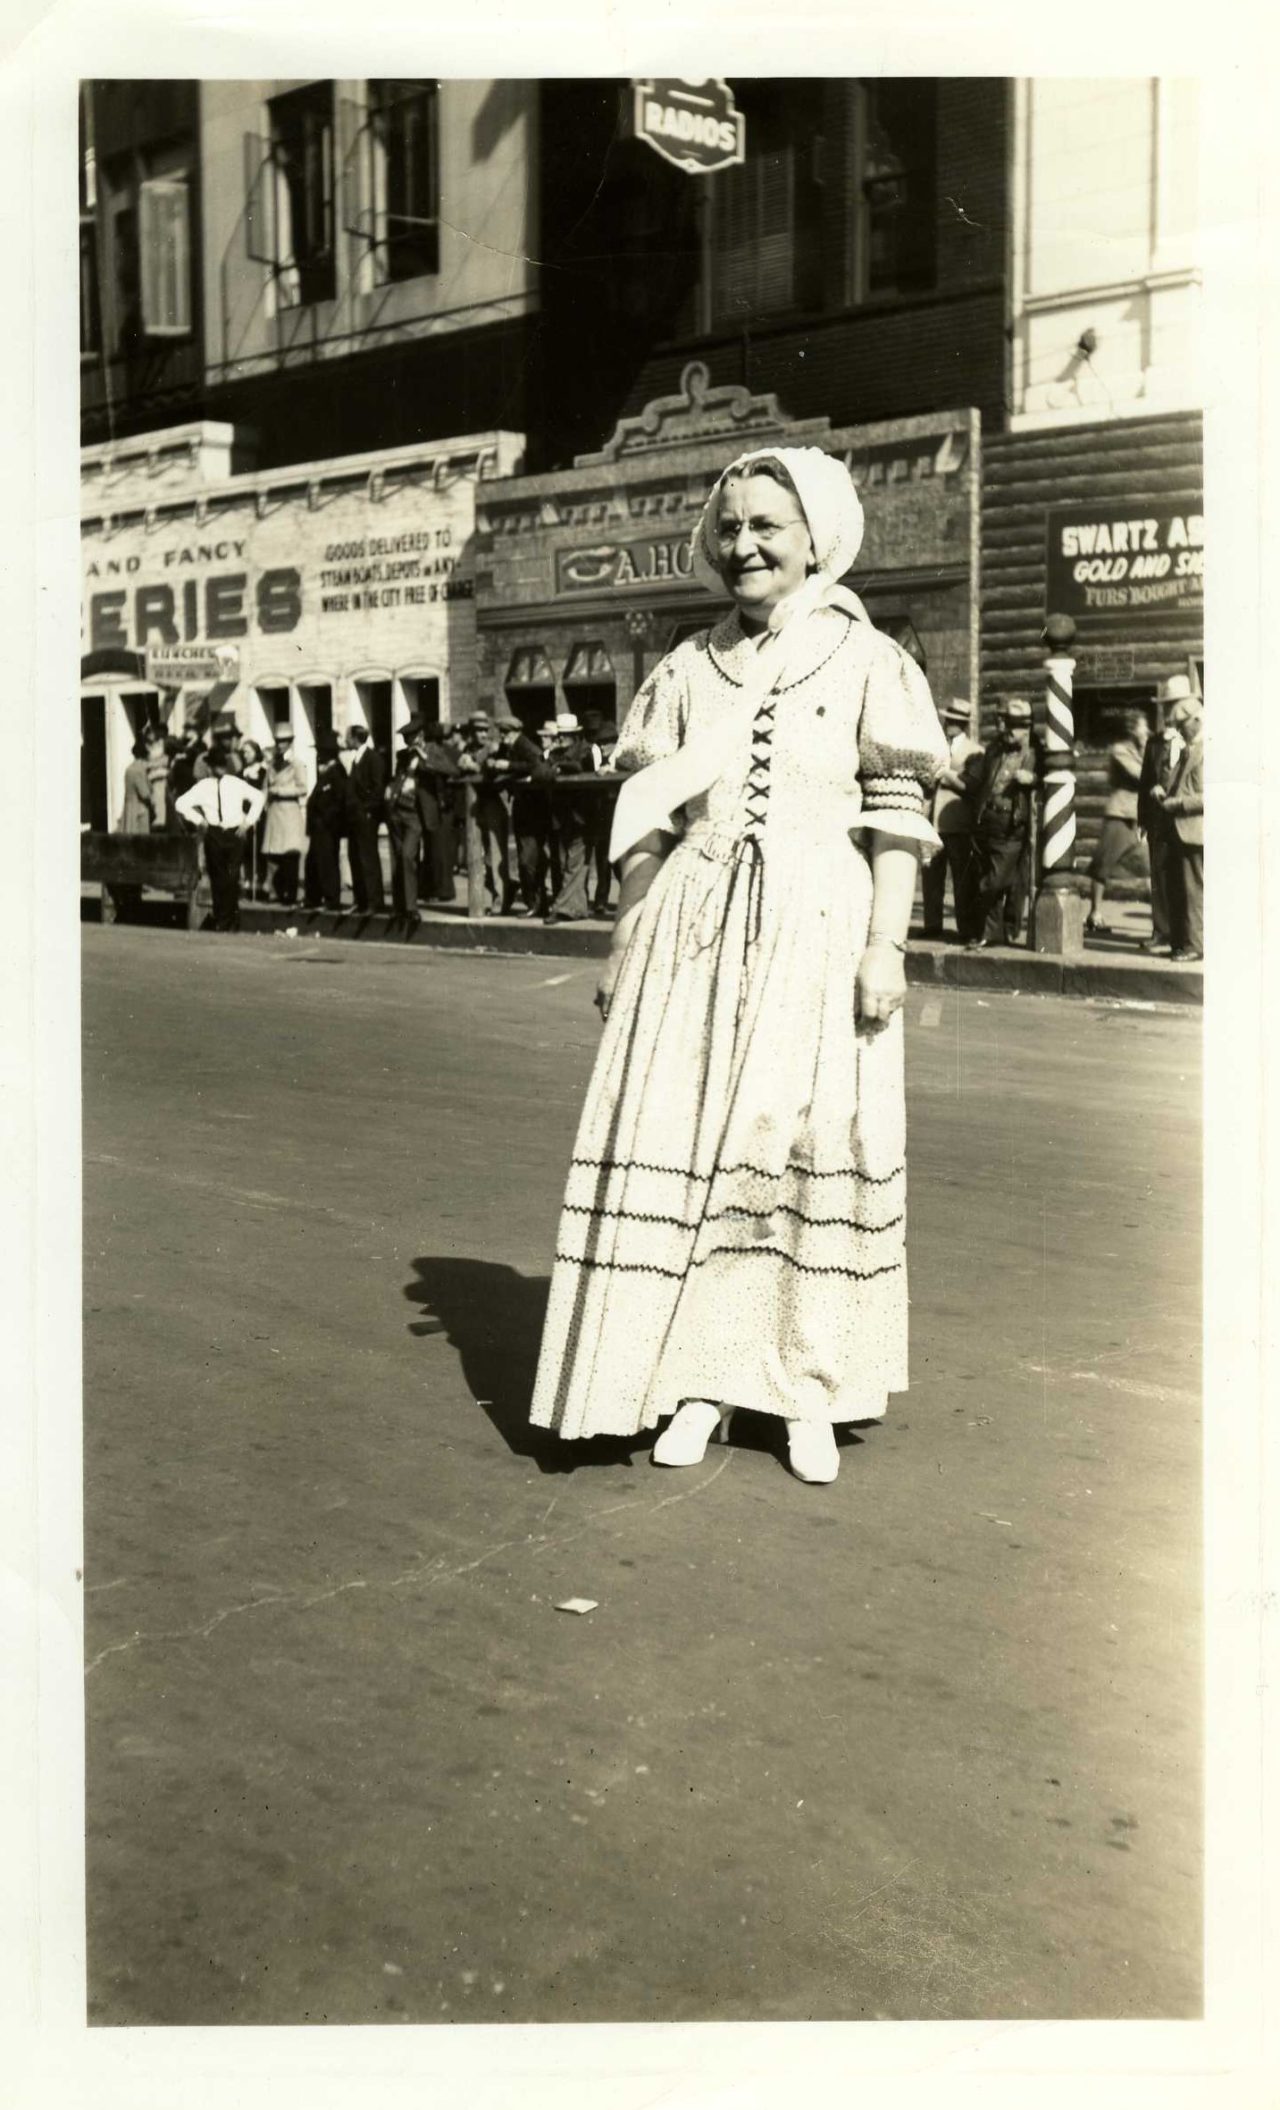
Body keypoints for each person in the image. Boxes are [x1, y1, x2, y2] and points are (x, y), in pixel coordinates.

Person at [527, 445, 947, 1485]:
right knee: (695, 1136)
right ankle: (698, 1379)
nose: (744, 542)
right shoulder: (683, 666)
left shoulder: (865, 660)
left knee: (795, 1137)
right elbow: (643, 815)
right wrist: (627, 931)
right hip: (694, 929)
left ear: (817, 538)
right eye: (730, 525)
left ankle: (802, 1386)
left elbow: (897, 817)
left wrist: (883, 946)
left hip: (817, 921)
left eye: (767, 524)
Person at [963, 697, 1036, 948]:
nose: (1006, 729)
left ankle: (993, 929)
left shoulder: (1038, 752)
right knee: (989, 875)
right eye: (1005, 723)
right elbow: (981, 782)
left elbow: (1052, 781)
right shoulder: (995, 749)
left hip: (1013, 823)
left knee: (995, 881)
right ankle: (990, 933)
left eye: (1013, 725)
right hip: (988, 818)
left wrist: (1033, 779)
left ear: (1026, 728)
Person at [173, 745, 266, 931]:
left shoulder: (234, 783)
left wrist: (247, 822)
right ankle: (224, 919)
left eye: (220, 766)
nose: (219, 770)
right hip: (215, 833)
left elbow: (258, 797)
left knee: (229, 878)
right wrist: (200, 820)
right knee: (220, 878)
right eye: (218, 766)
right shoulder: (205, 786)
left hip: (233, 832)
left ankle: (228, 919)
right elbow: (181, 803)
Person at [1150, 690, 1204, 961]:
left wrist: (1177, 804)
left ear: (1196, 720)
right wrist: (1165, 792)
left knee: (1194, 890)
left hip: (1195, 829)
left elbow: (1208, 797)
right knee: (1181, 890)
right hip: (1181, 829)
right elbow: (1180, 784)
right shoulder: (1189, 749)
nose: (1181, 732)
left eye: (1183, 726)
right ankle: (1183, 943)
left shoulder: (1206, 749)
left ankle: (1196, 946)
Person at [1085, 708, 1149, 937]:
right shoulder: (1120, 750)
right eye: (1143, 726)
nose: (1147, 730)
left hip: (1141, 815)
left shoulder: (1144, 749)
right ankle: (1095, 913)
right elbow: (1141, 775)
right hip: (1121, 812)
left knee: (1149, 864)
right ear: (1132, 728)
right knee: (1103, 863)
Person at [1137, 678, 1190, 955]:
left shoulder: (1192, 739)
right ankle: (1161, 930)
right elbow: (1146, 781)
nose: (1169, 710)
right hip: (1159, 818)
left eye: (1173, 704)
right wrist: (1142, 819)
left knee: (1182, 877)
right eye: (1166, 705)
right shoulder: (1155, 742)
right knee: (1158, 874)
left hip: (1184, 817)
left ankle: (1182, 935)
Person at [921, 699, 981, 941]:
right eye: (948, 719)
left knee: (961, 878)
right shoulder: (935, 745)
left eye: (955, 721)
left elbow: (971, 785)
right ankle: (932, 925)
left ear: (963, 725)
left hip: (957, 822)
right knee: (931, 875)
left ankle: (965, 929)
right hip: (931, 822)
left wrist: (944, 773)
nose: (949, 724)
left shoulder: (975, 751)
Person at [543, 710, 598, 924]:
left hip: (584, 814)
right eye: (560, 734)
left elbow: (581, 767)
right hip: (564, 814)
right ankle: (577, 908)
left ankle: (560, 907)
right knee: (573, 863)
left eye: (565, 734)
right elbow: (543, 768)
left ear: (575, 734)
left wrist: (558, 766)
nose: (561, 738)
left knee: (575, 863)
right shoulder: (557, 752)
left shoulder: (585, 750)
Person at [579, 704, 620, 914]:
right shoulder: (590, 755)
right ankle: (601, 900)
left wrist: (612, 773)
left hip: (619, 812)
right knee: (602, 856)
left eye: (605, 743)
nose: (602, 747)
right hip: (601, 812)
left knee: (619, 857)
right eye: (599, 742)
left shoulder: (620, 760)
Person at [261, 730, 308, 905]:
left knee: (289, 855)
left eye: (283, 741)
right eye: (278, 741)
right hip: (274, 813)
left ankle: (290, 894)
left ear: (290, 743)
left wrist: (280, 791)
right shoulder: (272, 764)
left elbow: (303, 789)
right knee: (273, 855)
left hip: (289, 814)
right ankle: (276, 892)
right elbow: (265, 786)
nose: (280, 745)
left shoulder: (297, 764)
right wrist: (262, 801)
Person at [304, 734, 350, 910]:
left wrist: (326, 819)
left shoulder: (337, 772)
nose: (318, 755)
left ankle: (331, 899)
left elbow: (339, 801)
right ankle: (313, 898)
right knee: (313, 862)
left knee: (327, 862)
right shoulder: (325, 771)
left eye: (320, 752)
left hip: (329, 827)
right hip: (319, 827)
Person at [345, 725, 388, 913]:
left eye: (348, 737)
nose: (346, 740)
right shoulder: (356, 758)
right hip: (355, 818)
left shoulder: (373, 758)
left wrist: (368, 810)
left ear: (356, 738)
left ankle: (374, 901)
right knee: (355, 856)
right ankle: (360, 900)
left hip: (367, 817)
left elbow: (378, 788)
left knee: (368, 858)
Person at [118, 736, 156, 833]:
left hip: (129, 808)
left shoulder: (129, 769)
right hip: (139, 811)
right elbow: (145, 794)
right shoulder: (139, 770)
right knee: (141, 841)